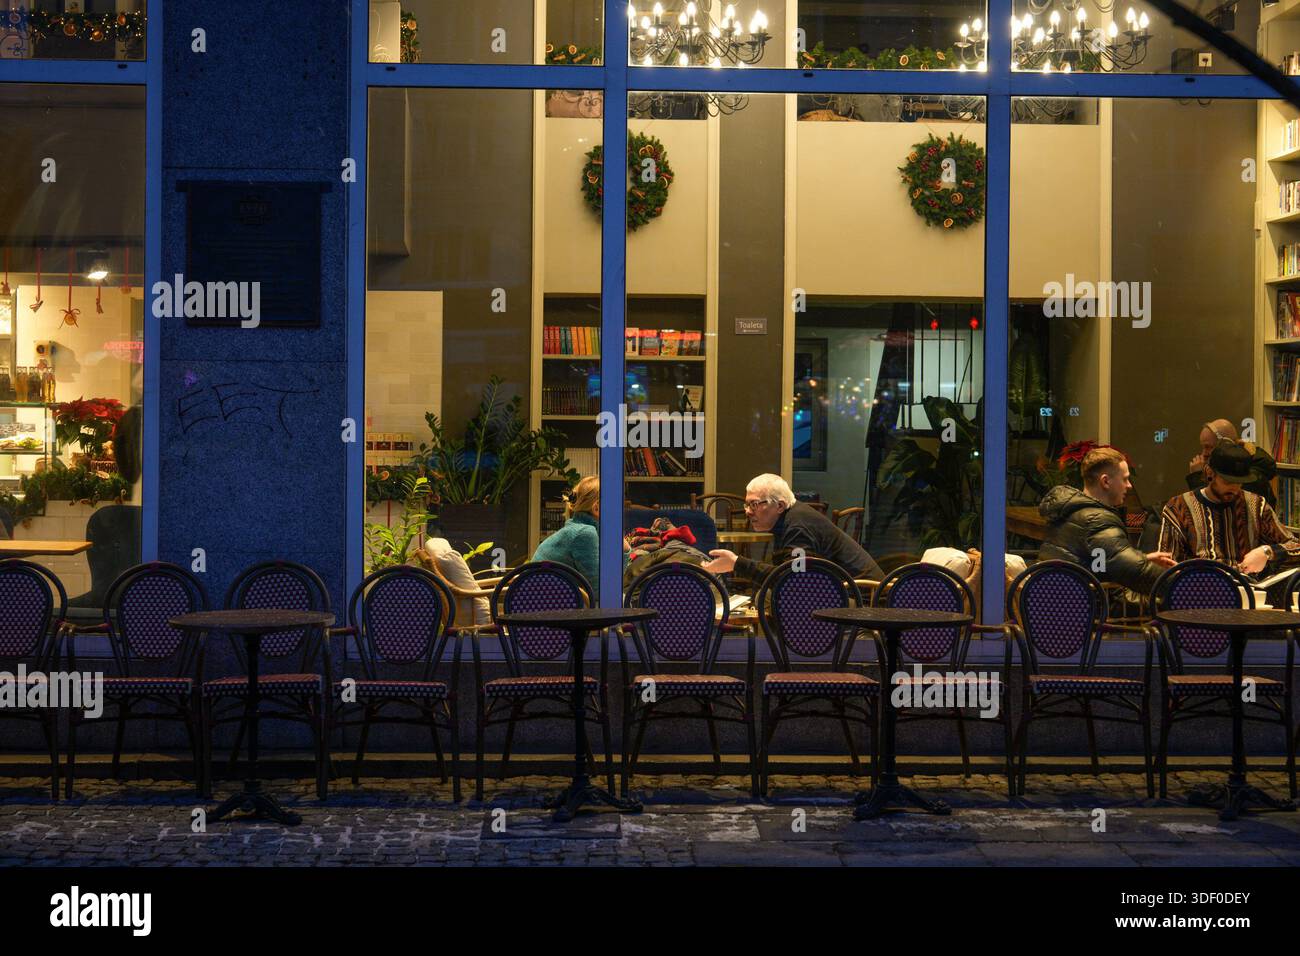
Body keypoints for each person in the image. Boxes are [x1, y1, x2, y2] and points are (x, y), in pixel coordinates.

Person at [1039, 446, 1174, 594]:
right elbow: (1135, 572)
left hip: (1058, 601)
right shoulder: (1097, 520)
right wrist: (1183, 584)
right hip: (1089, 607)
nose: (1129, 486)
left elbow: (1099, 564)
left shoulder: (1070, 510)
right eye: (1125, 479)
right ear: (1106, 482)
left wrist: (1142, 558)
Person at [701, 473, 884, 582]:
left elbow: (792, 580)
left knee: (772, 599)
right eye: (747, 505)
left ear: (779, 506)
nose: (748, 512)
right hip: (853, 594)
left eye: (754, 504)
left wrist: (736, 563)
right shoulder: (791, 518)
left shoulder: (798, 526)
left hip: (864, 602)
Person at [1159, 441, 1300, 579]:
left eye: (1239, 482)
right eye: (1227, 481)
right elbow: (1165, 567)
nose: (1234, 488)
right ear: (1209, 473)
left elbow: (1295, 547)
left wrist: (1267, 552)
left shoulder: (1256, 506)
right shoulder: (1178, 507)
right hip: (1199, 593)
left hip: (1250, 592)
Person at [530, 475, 628, 591]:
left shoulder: (577, 528)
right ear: (596, 508)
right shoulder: (584, 533)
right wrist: (624, 550)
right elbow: (600, 591)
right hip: (545, 604)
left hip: (539, 601)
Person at [1186, 419, 1276, 507]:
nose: (1204, 453)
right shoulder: (1249, 464)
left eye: (1208, 447)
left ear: (1226, 444)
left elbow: (1213, 507)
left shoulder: (1246, 473)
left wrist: (1197, 477)